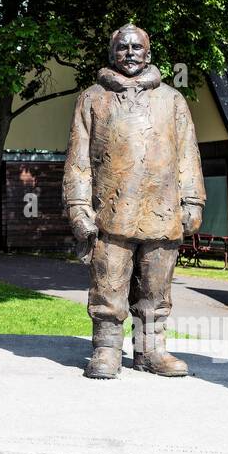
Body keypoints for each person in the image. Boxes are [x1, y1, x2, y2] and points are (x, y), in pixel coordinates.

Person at [63, 24, 205, 379]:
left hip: (162, 211)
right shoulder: (92, 98)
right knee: (108, 284)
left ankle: (150, 349)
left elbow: (188, 154)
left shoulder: (172, 100)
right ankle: (107, 349)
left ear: (149, 53)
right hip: (111, 213)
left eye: (136, 47)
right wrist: (78, 206)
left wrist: (193, 201)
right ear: (112, 54)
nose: (129, 53)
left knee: (156, 287)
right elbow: (78, 159)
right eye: (122, 47)